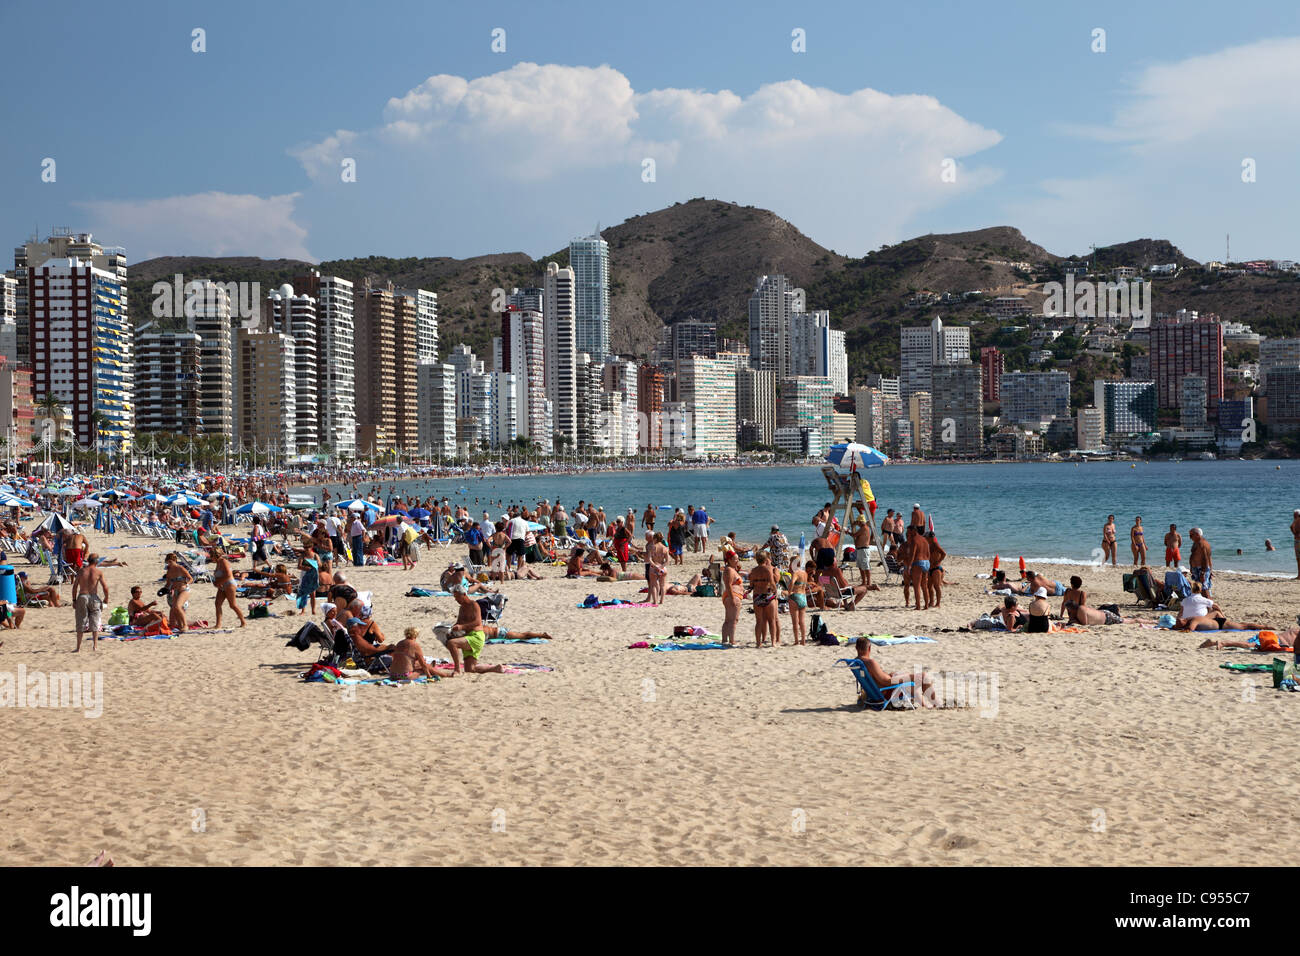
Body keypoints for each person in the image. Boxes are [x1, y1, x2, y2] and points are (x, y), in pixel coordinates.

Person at [853, 637, 937, 708]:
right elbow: (886, 682)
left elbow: (877, 679)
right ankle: (935, 703)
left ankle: (925, 706)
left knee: (910, 679)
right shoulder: (870, 662)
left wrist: (893, 675)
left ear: (856, 647)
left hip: (874, 693)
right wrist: (906, 677)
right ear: (869, 648)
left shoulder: (855, 662)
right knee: (923, 676)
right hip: (886, 692)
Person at [443, 588, 505, 674]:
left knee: (452, 643)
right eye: (455, 597)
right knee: (470, 669)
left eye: (457, 597)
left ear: (464, 594)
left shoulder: (474, 605)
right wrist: (451, 629)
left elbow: (477, 622)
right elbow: (459, 623)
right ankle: (495, 668)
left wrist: (461, 627)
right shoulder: (462, 608)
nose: (456, 599)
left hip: (476, 636)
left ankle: (457, 669)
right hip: (467, 637)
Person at [72, 554, 109, 652]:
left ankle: (78, 647)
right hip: (94, 597)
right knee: (95, 622)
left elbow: (75, 587)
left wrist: (74, 600)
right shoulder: (98, 572)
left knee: (81, 622)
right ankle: (95, 646)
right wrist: (106, 599)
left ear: (88, 561)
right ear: (97, 562)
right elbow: (105, 587)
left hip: (82, 596)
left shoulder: (81, 571)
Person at [388, 627, 455, 680]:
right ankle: (445, 675)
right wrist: (429, 676)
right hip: (405, 676)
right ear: (416, 635)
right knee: (423, 668)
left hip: (392, 675)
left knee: (416, 663)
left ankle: (431, 667)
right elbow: (423, 664)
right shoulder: (414, 645)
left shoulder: (399, 643)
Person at [749, 551, 780, 647]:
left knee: (759, 621)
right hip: (767, 595)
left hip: (757, 596)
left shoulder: (753, 571)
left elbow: (751, 584)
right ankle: (773, 642)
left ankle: (758, 643)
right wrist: (775, 592)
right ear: (766, 559)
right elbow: (772, 583)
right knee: (771, 620)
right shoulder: (768, 570)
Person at [212, 548, 246, 628]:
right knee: (217, 604)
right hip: (222, 585)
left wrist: (218, 582)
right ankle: (218, 624)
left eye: (211, 556)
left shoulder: (224, 562)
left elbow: (228, 575)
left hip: (229, 584)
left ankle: (243, 622)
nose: (210, 558)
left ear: (215, 555)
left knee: (232, 605)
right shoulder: (218, 562)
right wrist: (216, 582)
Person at [163, 552, 193, 632]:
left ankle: (185, 626)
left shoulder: (180, 568)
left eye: (170, 562)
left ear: (174, 561)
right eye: (168, 562)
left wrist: (186, 584)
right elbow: (168, 583)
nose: (169, 564)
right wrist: (164, 590)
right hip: (175, 590)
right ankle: (181, 626)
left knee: (177, 606)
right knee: (174, 609)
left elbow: (190, 578)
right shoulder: (169, 571)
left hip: (184, 590)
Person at [720, 549, 744, 646]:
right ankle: (731, 641)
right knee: (733, 620)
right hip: (733, 596)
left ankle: (725, 640)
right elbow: (728, 584)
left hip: (732, 595)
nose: (737, 561)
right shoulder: (729, 570)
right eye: (735, 559)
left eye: (738, 559)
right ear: (729, 560)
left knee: (728, 620)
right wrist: (733, 598)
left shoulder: (731, 569)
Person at [907, 526, 931, 611]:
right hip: (926, 562)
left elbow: (912, 554)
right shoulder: (924, 540)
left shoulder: (914, 539)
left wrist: (909, 566)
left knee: (916, 586)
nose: (908, 533)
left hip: (918, 562)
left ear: (914, 531)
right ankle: (926, 605)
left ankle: (918, 606)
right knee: (924, 586)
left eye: (909, 531)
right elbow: (928, 553)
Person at [786, 556, 808, 645]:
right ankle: (803, 640)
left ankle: (796, 641)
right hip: (803, 596)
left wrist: (789, 592)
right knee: (802, 621)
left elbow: (792, 582)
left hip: (795, 596)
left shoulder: (795, 573)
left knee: (795, 621)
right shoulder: (804, 573)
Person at [1188, 527, 1213, 595]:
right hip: (1197, 568)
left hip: (1201, 568)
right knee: (1199, 587)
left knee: (1204, 587)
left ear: (1197, 534)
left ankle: (1209, 604)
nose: (1190, 537)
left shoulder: (1202, 544)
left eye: (1191, 535)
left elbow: (1205, 558)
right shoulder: (1197, 542)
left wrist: (1203, 572)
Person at [646, 533, 669, 605]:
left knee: (653, 585)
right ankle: (662, 600)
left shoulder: (652, 547)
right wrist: (661, 567)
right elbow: (667, 561)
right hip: (663, 568)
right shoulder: (665, 548)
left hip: (654, 567)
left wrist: (656, 566)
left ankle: (655, 601)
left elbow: (649, 559)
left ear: (655, 539)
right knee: (663, 585)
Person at [296, 546, 320, 616]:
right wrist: (306, 568)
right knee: (304, 593)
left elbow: (320, 564)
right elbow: (298, 566)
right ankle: (303, 611)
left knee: (313, 594)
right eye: (305, 547)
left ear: (311, 547)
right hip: (305, 575)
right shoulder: (302, 556)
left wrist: (315, 565)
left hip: (313, 575)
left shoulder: (315, 555)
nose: (306, 549)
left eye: (307, 547)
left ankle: (313, 610)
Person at [925, 531, 946, 608]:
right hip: (930, 568)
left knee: (936, 586)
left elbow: (944, 553)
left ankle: (938, 603)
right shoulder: (929, 545)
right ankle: (931, 602)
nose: (925, 539)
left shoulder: (935, 544)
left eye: (926, 537)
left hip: (936, 569)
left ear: (930, 538)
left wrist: (938, 561)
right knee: (929, 586)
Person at [1292, 509, 1300, 579]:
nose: (1294, 516)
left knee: (1298, 559)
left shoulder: (1296, 520)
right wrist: (1295, 534)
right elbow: (1291, 527)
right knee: (1298, 559)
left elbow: (1291, 527)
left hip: (1298, 541)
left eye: (1295, 515)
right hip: (1297, 541)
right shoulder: (1295, 521)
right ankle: (1299, 575)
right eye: (1294, 515)